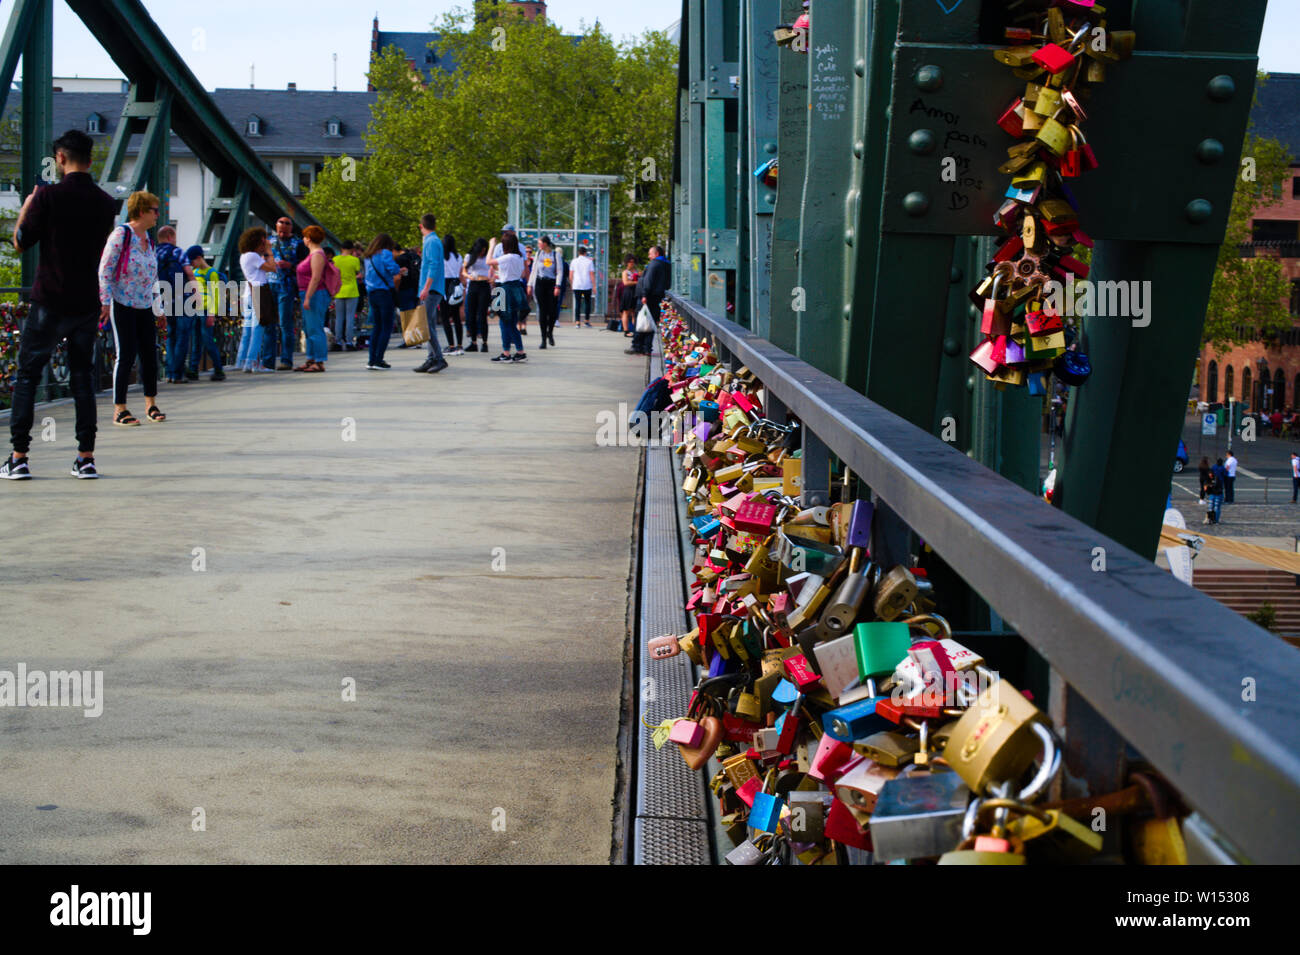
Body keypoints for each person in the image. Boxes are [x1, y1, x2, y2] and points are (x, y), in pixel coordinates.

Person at [2, 128, 117, 480]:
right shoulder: (104, 202)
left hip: (49, 299)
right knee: (83, 379)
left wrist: (27, 206)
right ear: (90, 159)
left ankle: (19, 457)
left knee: (27, 376)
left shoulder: (48, 197)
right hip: (85, 302)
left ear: (61, 158)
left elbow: (21, 242)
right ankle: (86, 458)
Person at [99, 190, 167, 427]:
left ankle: (151, 404)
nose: (158, 214)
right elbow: (105, 269)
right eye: (154, 210)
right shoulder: (121, 235)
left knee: (150, 354)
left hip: (145, 304)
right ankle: (120, 409)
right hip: (122, 303)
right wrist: (105, 302)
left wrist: (159, 308)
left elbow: (152, 275)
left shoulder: (149, 240)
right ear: (141, 211)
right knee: (126, 354)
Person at [156, 225, 195, 383]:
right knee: (182, 336)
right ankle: (178, 373)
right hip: (181, 297)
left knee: (170, 335)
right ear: (170, 236)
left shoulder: (154, 253)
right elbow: (189, 273)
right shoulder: (177, 251)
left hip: (164, 297)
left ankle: (170, 373)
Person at [236, 227, 277, 373]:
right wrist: (269, 251)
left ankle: (241, 361)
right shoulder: (253, 256)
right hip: (258, 292)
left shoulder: (244, 256)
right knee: (258, 329)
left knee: (247, 330)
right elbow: (273, 268)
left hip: (248, 293)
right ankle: (252, 363)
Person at [268, 215, 307, 370]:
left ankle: (286, 360)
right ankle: (268, 361)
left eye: (287, 224)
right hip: (269, 284)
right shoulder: (268, 242)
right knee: (268, 324)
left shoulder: (298, 243)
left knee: (285, 324)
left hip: (287, 286)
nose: (283, 227)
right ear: (276, 226)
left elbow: (304, 266)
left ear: (291, 227)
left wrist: (290, 265)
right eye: (281, 224)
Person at [185, 245, 227, 381]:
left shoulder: (211, 273)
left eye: (192, 261)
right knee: (196, 341)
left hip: (205, 310)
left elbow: (216, 294)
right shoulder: (195, 272)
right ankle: (193, 369)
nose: (191, 265)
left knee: (208, 341)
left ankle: (218, 369)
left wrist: (212, 314)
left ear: (198, 258)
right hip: (196, 310)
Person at [295, 225, 332, 372]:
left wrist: (308, 298)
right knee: (308, 328)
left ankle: (319, 360)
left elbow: (316, 278)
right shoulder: (313, 253)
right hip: (309, 293)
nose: (303, 239)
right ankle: (311, 358)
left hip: (315, 294)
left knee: (315, 328)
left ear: (308, 238)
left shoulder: (317, 254)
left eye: (304, 236)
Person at [486, 232, 527, 362]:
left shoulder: (508, 257)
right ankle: (517, 351)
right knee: (511, 322)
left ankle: (508, 352)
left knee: (504, 322)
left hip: (504, 290)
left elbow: (488, 261)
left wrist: (491, 246)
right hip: (515, 288)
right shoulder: (518, 257)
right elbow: (518, 274)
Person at [363, 233, 403, 370]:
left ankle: (371, 359)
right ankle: (379, 359)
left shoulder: (368, 256)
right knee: (386, 327)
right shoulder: (385, 253)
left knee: (376, 327)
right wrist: (400, 270)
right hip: (384, 293)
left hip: (372, 293)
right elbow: (393, 269)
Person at [414, 214, 447, 373]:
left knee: (426, 325)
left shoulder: (431, 241)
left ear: (421, 226)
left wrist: (426, 288)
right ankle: (431, 358)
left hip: (432, 289)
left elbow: (433, 266)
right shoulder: (432, 241)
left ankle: (439, 358)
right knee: (430, 325)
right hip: (432, 289)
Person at [629, 244, 671, 356]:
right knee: (651, 322)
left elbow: (648, 281)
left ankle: (637, 346)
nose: (649, 256)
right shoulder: (667, 264)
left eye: (650, 254)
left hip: (648, 296)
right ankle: (647, 348)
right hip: (657, 296)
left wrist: (644, 294)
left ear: (656, 254)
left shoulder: (654, 264)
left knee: (641, 320)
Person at [527, 235, 564, 349]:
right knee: (542, 311)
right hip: (540, 283)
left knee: (552, 312)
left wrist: (557, 285)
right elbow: (534, 270)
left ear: (546, 244)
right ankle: (543, 339)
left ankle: (550, 332)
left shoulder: (555, 255)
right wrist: (530, 284)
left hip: (551, 284)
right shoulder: (538, 254)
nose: (538, 245)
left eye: (540, 243)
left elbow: (559, 271)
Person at [461, 237, 491, 353]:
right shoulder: (469, 257)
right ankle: (473, 342)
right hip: (473, 284)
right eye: (481, 250)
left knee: (482, 315)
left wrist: (491, 278)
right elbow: (464, 270)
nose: (482, 252)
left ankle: (484, 342)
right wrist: (468, 276)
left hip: (484, 285)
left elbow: (494, 269)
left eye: (484, 250)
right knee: (471, 315)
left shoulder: (487, 258)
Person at [333, 240, 362, 351]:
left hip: (339, 290)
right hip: (352, 290)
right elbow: (357, 272)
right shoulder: (355, 260)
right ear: (352, 250)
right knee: (350, 318)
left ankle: (338, 341)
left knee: (339, 318)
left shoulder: (335, 260)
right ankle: (349, 342)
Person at [440, 233, 465, 356]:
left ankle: (451, 345)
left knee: (445, 317)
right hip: (456, 285)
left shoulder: (442, 256)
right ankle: (460, 345)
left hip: (445, 285)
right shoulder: (458, 256)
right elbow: (461, 273)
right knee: (456, 318)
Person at [569, 245, 594, 327]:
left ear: (578, 253)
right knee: (587, 303)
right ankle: (586, 320)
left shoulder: (574, 261)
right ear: (585, 253)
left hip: (577, 284)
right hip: (587, 284)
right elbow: (591, 275)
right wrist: (594, 285)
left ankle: (577, 321)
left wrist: (571, 284)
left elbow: (571, 275)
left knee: (578, 303)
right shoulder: (589, 262)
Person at [619, 254, 640, 336]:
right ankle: (626, 330)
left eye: (633, 262)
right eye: (630, 262)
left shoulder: (636, 271)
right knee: (626, 312)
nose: (631, 263)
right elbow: (625, 282)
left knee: (635, 312)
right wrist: (636, 282)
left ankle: (635, 330)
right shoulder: (625, 272)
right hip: (628, 292)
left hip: (635, 292)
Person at [1207, 457, 1227, 524]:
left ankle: (1210, 519)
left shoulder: (1214, 468)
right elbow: (1226, 474)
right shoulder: (1222, 468)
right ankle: (1215, 520)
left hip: (1213, 493)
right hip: (1218, 493)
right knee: (1216, 508)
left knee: (1210, 507)